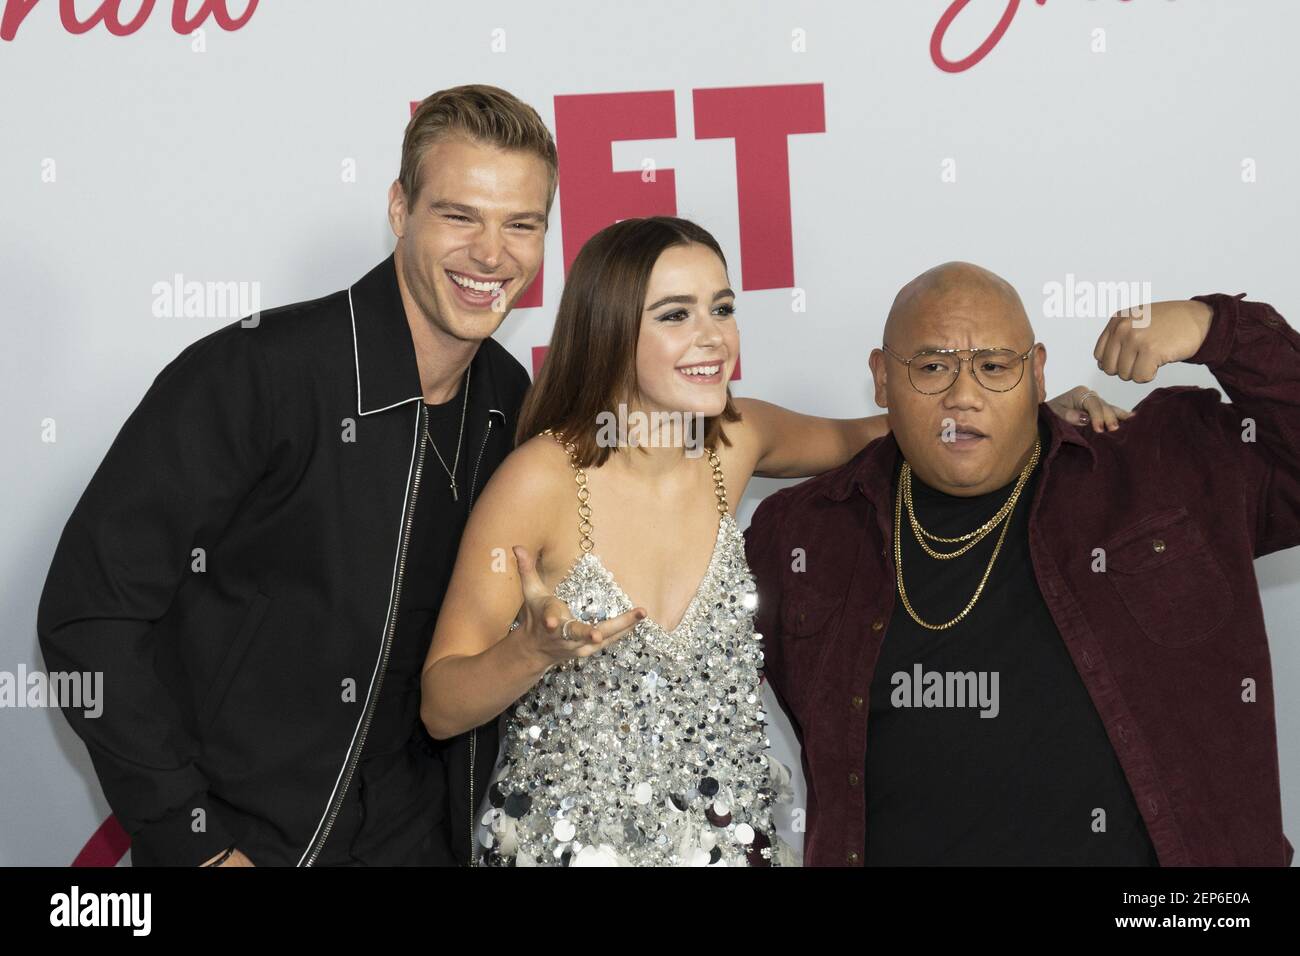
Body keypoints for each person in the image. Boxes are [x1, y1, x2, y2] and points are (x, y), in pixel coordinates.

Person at [419, 221, 1118, 866]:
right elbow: (441, 705)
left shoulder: (737, 438)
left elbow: (877, 432)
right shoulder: (538, 480)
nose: (714, 336)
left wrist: (1019, 409)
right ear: (608, 330)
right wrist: (529, 651)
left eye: (722, 308)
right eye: (675, 315)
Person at [36, 85, 553, 866]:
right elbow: (88, 616)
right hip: (248, 841)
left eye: (522, 224)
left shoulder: (510, 407)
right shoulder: (257, 374)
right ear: (398, 209)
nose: (492, 254)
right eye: (459, 216)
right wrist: (193, 841)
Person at [745, 261, 1299, 866]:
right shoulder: (803, 534)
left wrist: (1219, 328)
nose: (964, 394)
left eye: (994, 366)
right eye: (932, 367)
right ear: (882, 379)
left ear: (1036, 373)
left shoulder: (1166, 463)